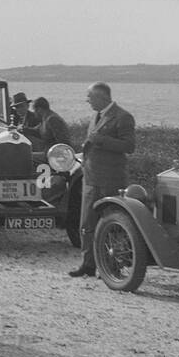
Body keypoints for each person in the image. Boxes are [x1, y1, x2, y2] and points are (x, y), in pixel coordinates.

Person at [69, 82, 136, 278]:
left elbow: (129, 146)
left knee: (112, 224)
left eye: (90, 97)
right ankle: (88, 264)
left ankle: (113, 266)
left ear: (101, 97)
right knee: (86, 224)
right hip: (91, 178)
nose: (87, 100)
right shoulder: (95, 116)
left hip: (111, 180)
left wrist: (101, 140)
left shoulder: (123, 117)